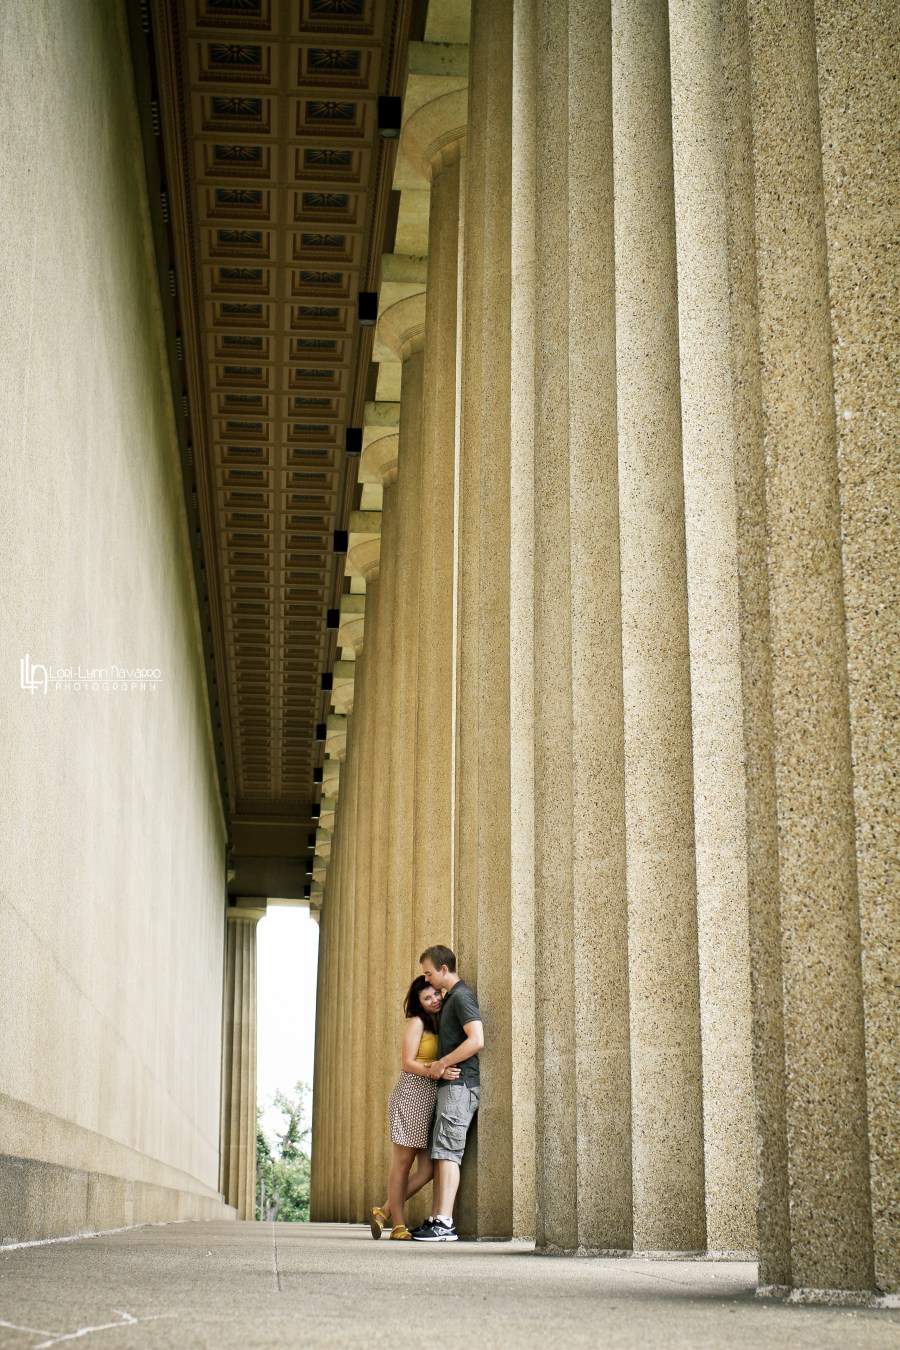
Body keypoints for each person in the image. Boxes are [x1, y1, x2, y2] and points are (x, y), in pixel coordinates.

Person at [369, 975, 460, 1241]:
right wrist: (438, 1070)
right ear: (419, 1003)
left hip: (432, 1097)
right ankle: (398, 1224)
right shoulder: (416, 1022)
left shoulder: (441, 1021)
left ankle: (383, 1211)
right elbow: (408, 1063)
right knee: (403, 1163)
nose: (434, 1000)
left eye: (436, 994)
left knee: (427, 1171)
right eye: (427, 997)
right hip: (412, 1094)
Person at [411, 944, 484, 1243]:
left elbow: (477, 1039)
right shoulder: (452, 998)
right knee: (442, 1151)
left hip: (460, 1085)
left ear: (443, 969)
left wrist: (442, 1063)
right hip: (450, 1087)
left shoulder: (463, 996)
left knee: (449, 1152)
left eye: (428, 973)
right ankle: (437, 1217)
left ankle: (445, 1222)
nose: (427, 980)